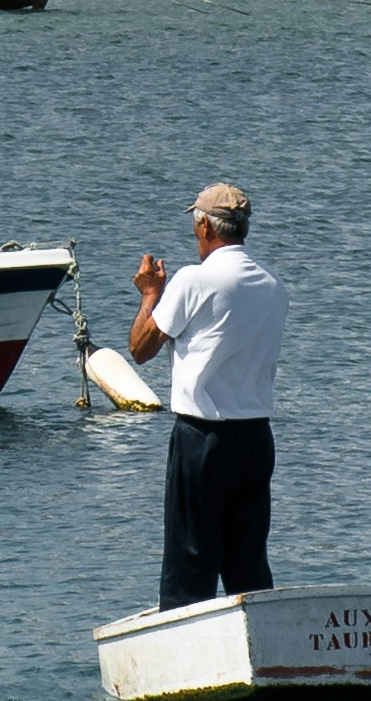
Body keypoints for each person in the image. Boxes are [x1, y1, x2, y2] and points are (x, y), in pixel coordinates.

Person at [119, 182, 286, 604]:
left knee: (189, 561)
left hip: (202, 439)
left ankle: (182, 658)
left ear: (204, 225)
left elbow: (140, 349)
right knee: (247, 563)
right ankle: (259, 652)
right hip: (255, 439)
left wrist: (151, 294)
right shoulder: (271, 284)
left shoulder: (193, 280)